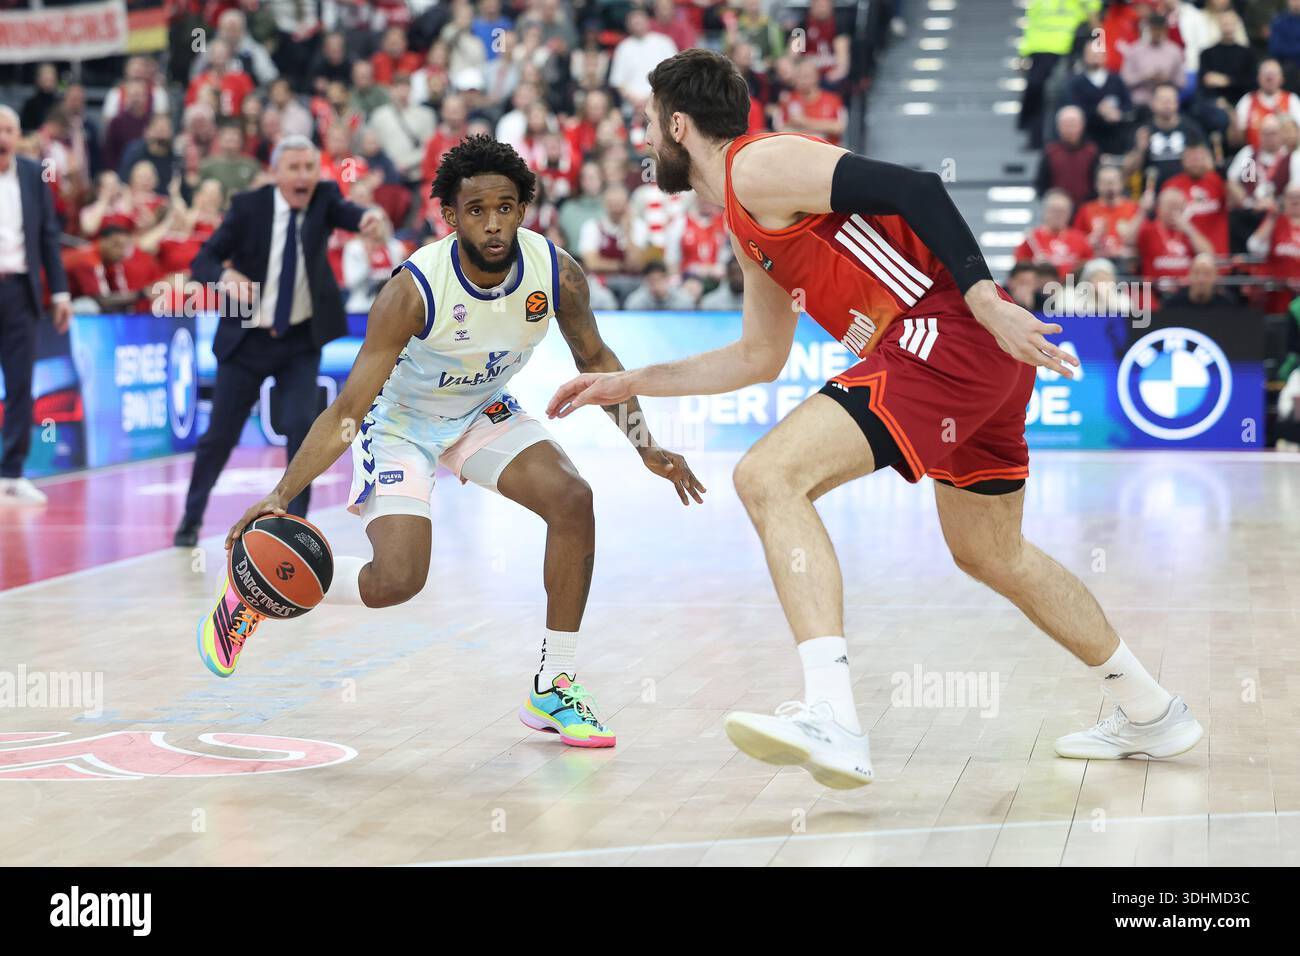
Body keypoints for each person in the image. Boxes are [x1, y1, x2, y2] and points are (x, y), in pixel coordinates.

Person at [548, 49, 1204, 788]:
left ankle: (832, 715)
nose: (641, 142)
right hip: (972, 360)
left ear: (677, 125)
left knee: (768, 476)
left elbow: (918, 188)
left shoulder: (757, 166)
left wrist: (985, 298)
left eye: (646, 125)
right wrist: (632, 381)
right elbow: (759, 358)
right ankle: (1151, 710)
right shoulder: (744, 217)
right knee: (991, 551)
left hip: (941, 338)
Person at [210, 136, 704, 750]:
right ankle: (260, 585)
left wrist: (645, 445)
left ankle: (554, 683)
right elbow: (346, 411)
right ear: (450, 216)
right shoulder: (412, 290)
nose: (493, 224)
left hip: (480, 409)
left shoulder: (557, 272)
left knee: (573, 498)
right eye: (476, 210)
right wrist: (283, 491)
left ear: (525, 208)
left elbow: (598, 360)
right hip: (401, 424)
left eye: (505, 207)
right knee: (398, 581)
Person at [173, 135, 387, 546]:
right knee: (220, 435)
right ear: (275, 173)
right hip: (246, 339)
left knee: (300, 428)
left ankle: (292, 527)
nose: (304, 175)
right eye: (294, 168)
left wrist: (367, 217)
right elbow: (203, 259)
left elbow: (348, 212)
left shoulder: (323, 197)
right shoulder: (248, 208)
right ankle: (190, 519)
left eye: (309, 167)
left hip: (299, 340)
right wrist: (223, 277)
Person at [0, 106, 72, 506]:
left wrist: (60, 294)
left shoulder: (32, 174)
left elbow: (48, 236)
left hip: (19, 292)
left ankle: (10, 474)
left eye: (9, 129)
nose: (3, 137)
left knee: (21, 385)